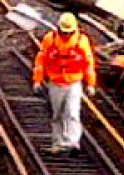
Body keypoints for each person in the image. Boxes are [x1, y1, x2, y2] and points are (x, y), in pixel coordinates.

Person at [32, 12, 97, 155]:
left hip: (74, 83)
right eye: (63, 32)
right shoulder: (50, 39)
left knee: (72, 113)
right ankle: (58, 142)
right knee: (57, 113)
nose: (66, 35)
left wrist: (90, 84)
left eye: (69, 33)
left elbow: (88, 64)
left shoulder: (81, 41)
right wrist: (37, 80)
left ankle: (73, 142)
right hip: (55, 83)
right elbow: (41, 61)